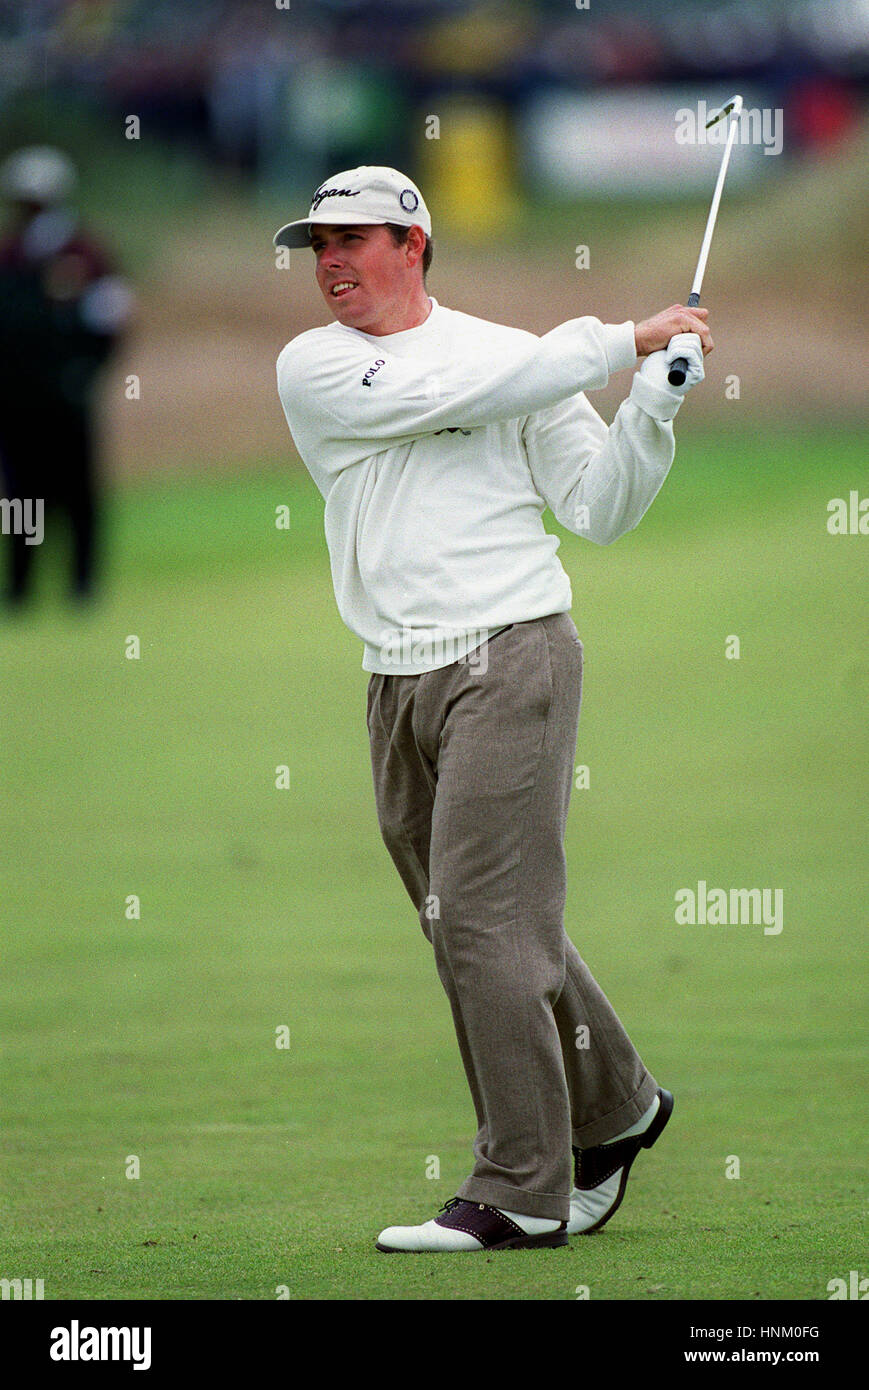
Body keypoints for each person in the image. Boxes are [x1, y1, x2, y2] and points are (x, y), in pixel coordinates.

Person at [273, 166, 711, 1253]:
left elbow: (596, 508)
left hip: (512, 656)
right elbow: (452, 397)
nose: (326, 261)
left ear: (411, 244)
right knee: (479, 925)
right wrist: (619, 338)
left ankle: (519, 1184)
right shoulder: (317, 365)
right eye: (314, 244)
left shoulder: (513, 363)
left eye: (351, 240)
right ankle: (619, 1107)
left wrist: (650, 401)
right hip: (393, 677)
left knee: (483, 925)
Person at [0, 147, 133, 606]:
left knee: (77, 489)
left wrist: (86, 372)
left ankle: (82, 585)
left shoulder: (84, 252)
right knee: (21, 495)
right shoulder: (10, 253)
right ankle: (20, 586)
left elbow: (112, 318)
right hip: (17, 398)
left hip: (68, 394)